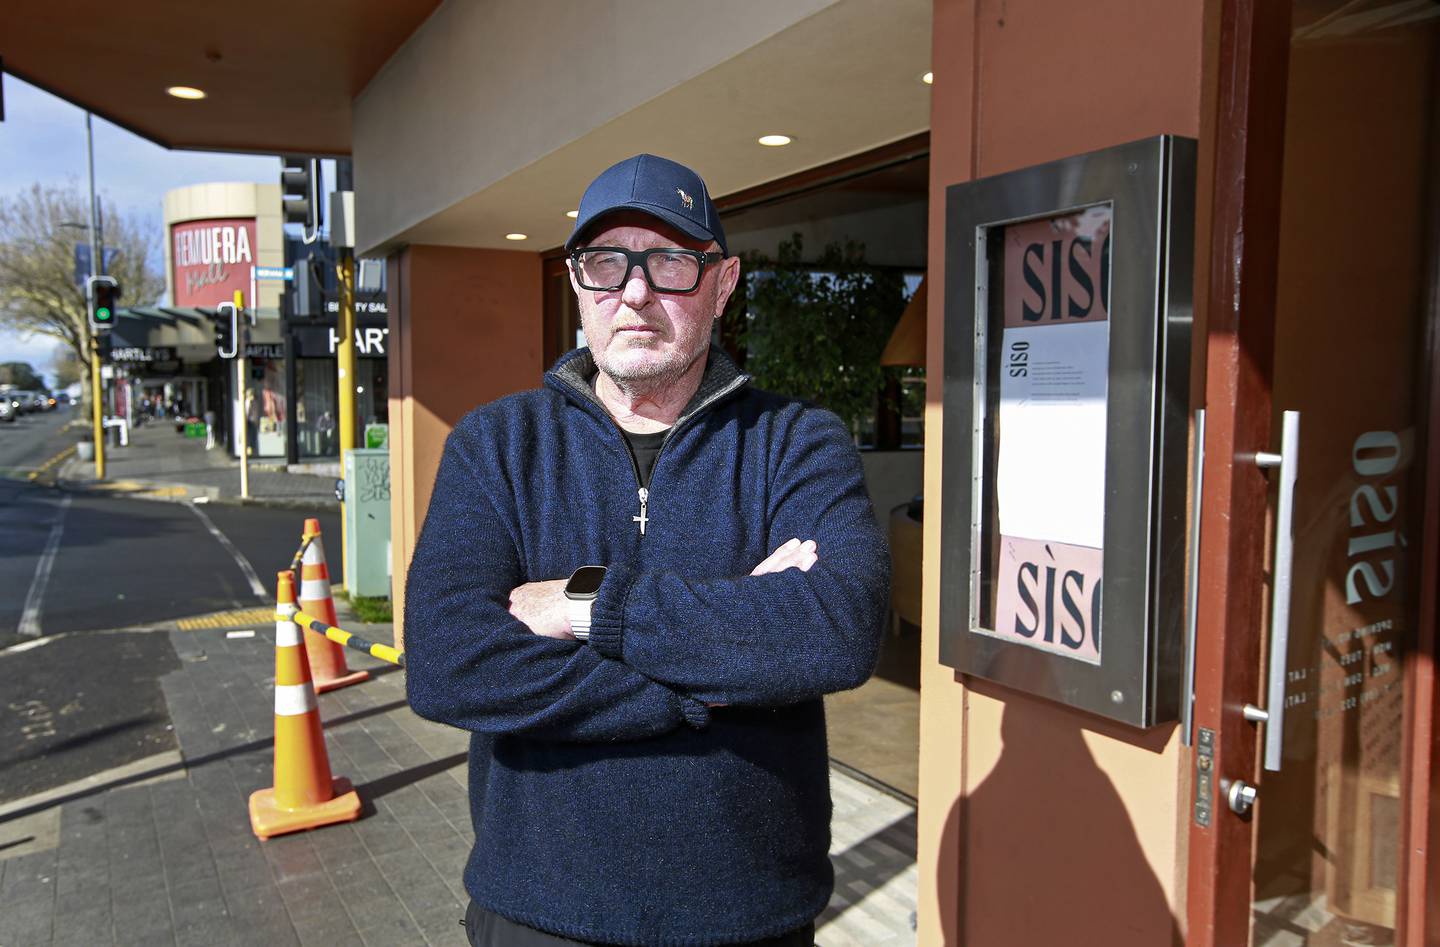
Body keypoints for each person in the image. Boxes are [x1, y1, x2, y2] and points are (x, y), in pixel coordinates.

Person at [405, 153, 891, 947]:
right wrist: (713, 680)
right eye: (607, 263)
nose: (634, 291)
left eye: (668, 261)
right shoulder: (496, 446)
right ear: (576, 282)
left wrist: (592, 604)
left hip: (750, 919)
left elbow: (838, 629)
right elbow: (446, 660)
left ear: (723, 282)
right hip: (538, 916)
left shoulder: (798, 444)